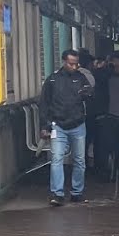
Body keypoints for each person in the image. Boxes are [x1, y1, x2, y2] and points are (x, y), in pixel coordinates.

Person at [39, 50, 94, 206]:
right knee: (57, 159)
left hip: (77, 123)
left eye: (76, 63)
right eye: (71, 63)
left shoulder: (81, 78)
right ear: (64, 62)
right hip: (58, 125)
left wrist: (88, 93)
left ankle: (76, 192)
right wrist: (45, 125)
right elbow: (44, 103)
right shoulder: (52, 80)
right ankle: (58, 193)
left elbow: (91, 94)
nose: (74, 66)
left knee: (79, 160)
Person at [91, 51, 119, 182]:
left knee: (118, 148)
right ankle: (103, 173)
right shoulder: (103, 75)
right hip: (107, 117)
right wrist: (108, 67)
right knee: (104, 148)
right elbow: (99, 77)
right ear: (114, 62)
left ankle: (118, 171)